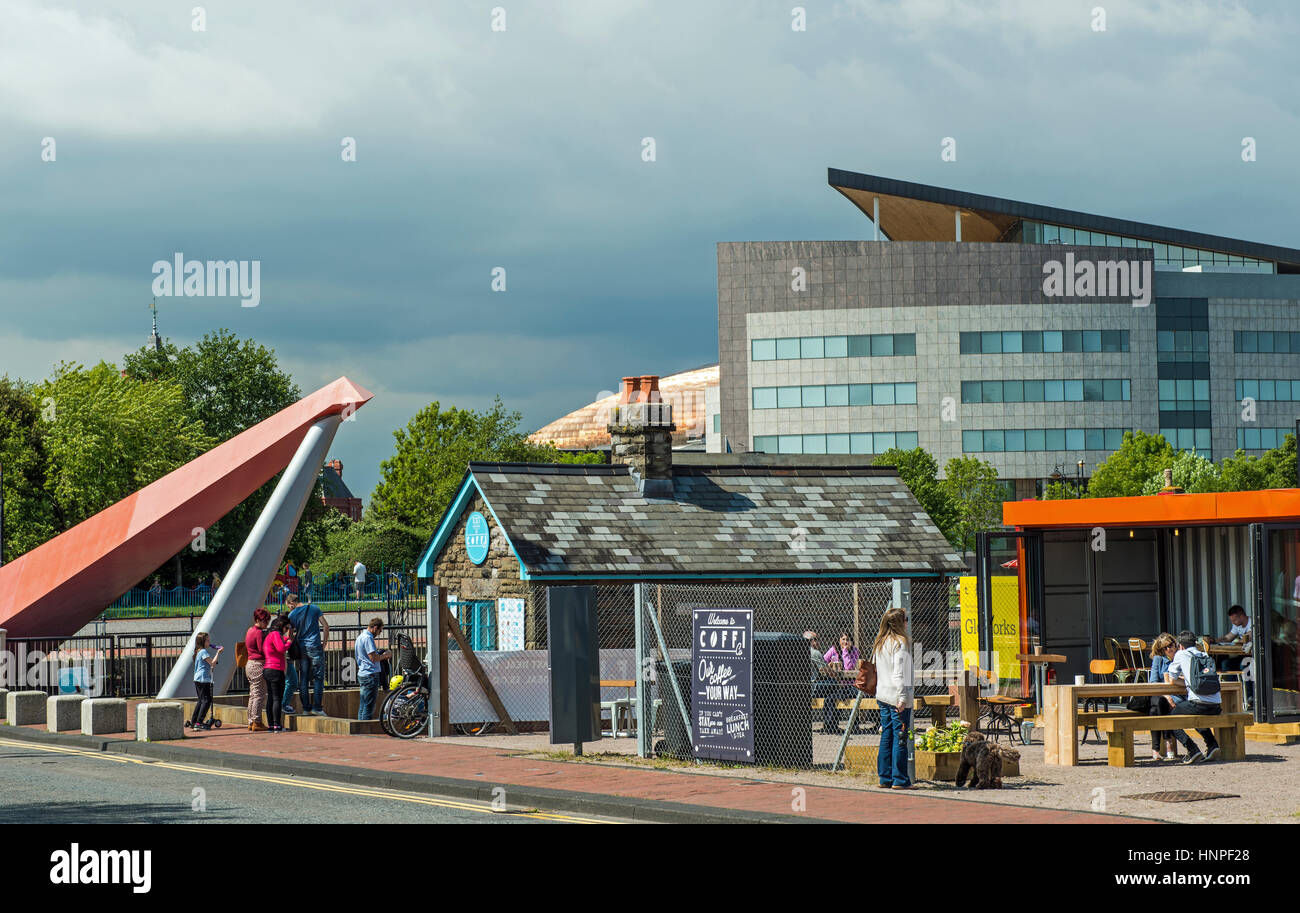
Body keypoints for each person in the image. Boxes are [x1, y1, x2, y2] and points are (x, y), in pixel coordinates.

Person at [1164, 630, 1222, 764]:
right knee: (1194, 716)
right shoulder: (1204, 654)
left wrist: (1186, 682)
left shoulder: (1181, 654)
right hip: (1216, 705)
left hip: (1199, 704)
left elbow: (1171, 678)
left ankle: (1192, 749)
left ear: (1181, 646)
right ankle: (1212, 744)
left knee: (1170, 719)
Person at [873, 608, 914, 789]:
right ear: (900, 623)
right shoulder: (900, 642)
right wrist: (903, 697)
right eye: (905, 619)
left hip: (883, 694)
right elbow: (899, 672)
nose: (907, 622)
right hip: (897, 696)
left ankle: (885, 777)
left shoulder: (880, 642)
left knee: (887, 736)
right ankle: (900, 779)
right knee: (900, 737)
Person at [289, 593, 329, 716]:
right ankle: (317, 707)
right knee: (318, 678)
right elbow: (326, 626)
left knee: (304, 679)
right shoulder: (315, 608)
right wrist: (324, 643)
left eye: (289, 606)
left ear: (292, 603)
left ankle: (306, 708)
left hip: (302, 648)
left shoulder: (292, 615)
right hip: (315, 646)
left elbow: (289, 635)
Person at [818, 632, 863, 735]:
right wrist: (829, 665)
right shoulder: (833, 650)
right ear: (839, 640)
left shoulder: (854, 651)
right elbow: (823, 661)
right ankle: (830, 726)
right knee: (829, 699)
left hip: (851, 685)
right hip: (837, 685)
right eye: (843, 639)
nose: (845, 642)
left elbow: (848, 668)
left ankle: (854, 725)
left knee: (851, 700)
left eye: (847, 639)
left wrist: (845, 651)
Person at [1148, 633, 1178, 761]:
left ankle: (1156, 749)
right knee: (1160, 702)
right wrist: (1166, 695)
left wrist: (1170, 696)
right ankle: (1167, 742)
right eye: (1165, 648)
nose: (1169, 649)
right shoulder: (1158, 659)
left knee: (1154, 710)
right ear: (1161, 650)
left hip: (1176, 695)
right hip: (1159, 694)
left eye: (1171, 645)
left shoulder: (1180, 657)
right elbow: (1153, 682)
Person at [354, 617, 391, 720]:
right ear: (375, 628)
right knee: (368, 707)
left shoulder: (361, 636)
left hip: (363, 673)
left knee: (363, 705)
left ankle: (360, 729)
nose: (379, 633)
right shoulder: (368, 638)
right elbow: (373, 658)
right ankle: (365, 731)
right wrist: (386, 655)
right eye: (380, 631)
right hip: (370, 675)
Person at [262, 614, 294, 732]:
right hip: (275, 669)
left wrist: (288, 637)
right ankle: (277, 725)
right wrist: (290, 641)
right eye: (286, 628)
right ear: (281, 626)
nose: (287, 630)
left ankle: (271, 725)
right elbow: (281, 648)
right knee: (277, 699)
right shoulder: (275, 634)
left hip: (268, 669)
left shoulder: (270, 635)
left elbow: (281, 642)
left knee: (271, 698)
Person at [189, 632, 223, 730]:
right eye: (207, 640)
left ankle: (194, 721)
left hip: (198, 679)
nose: (209, 642)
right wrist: (218, 652)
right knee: (207, 701)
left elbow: (207, 665)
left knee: (201, 700)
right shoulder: (203, 652)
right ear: (202, 642)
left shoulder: (199, 651)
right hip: (203, 679)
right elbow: (212, 663)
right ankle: (199, 723)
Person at [245, 608, 271, 732]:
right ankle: (257, 721)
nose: (266, 623)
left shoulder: (250, 630)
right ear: (257, 620)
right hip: (258, 665)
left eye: (267, 621)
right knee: (259, 695)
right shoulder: (259, 632)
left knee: (253, 694)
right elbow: (262, 649)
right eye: (264, 621)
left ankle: (250, 720)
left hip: (249, 664)